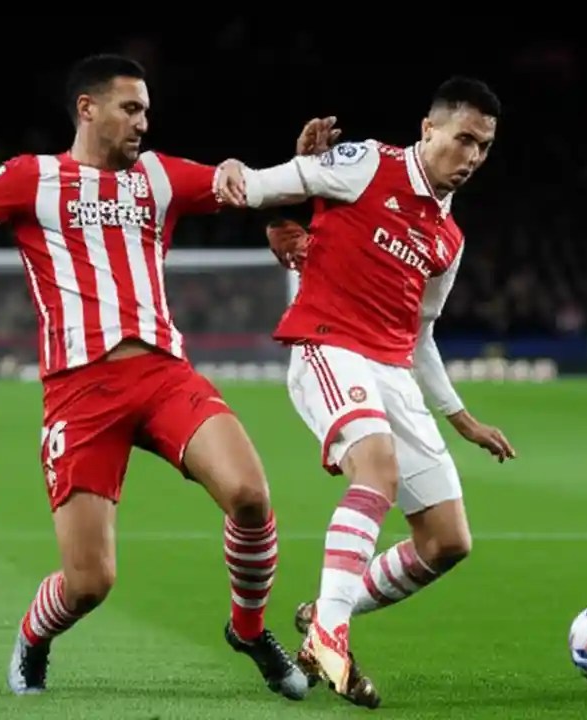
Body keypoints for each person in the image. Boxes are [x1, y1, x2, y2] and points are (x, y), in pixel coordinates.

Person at [0, 53, 312, 700]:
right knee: (90, 581)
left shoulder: (158, 177)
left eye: (148, 111)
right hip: (80, 393)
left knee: (250, 494)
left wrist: (296, 170)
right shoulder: (30, 179)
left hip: (163, 374)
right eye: (131, 109)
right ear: (87, 108)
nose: (143, 123)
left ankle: (248, 628)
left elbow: (248, 184)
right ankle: (33, 638)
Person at [213, 77, 517, 707]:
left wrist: (462, 418)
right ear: (428, 129)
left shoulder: (448, 240)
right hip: (328, 344)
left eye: (484, 147)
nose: (473, 157)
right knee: (375, 470)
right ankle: (331, 635)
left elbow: (422, 334)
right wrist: (244, 170)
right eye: (464, 138)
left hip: (392, 369)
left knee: (447, 540)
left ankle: (322, 612)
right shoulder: (369, 164)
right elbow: (268, 187)